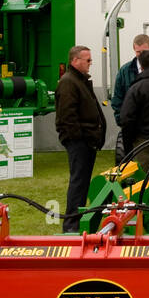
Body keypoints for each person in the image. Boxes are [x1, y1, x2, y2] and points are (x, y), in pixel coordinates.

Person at [55, 45, 107, 233]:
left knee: (82, 182)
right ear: (75, 61)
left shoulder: (79, 81)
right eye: (88, 60)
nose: (90, 63)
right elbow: (67, 116)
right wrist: (80, 139)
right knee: (78, 182)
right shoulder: (69, 82)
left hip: (86, 141)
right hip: (80, 143)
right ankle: (71, 226)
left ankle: (76, 223)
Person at [119, 49, 149, 166]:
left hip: (144, 143)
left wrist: (128, 147)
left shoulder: (136, 88)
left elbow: (126, 119)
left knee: (145, 181)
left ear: (141, 65)